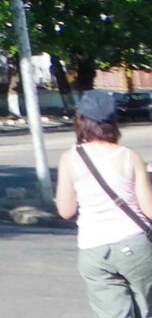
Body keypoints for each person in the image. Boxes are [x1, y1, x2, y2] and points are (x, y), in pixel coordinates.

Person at [55, 89, 152, 318]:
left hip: (93, 249)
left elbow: (66, 211)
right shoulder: (129, 156)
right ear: (113, 122)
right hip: (134, 245)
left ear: (80, 120)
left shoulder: (69, 158)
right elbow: (149, 209)